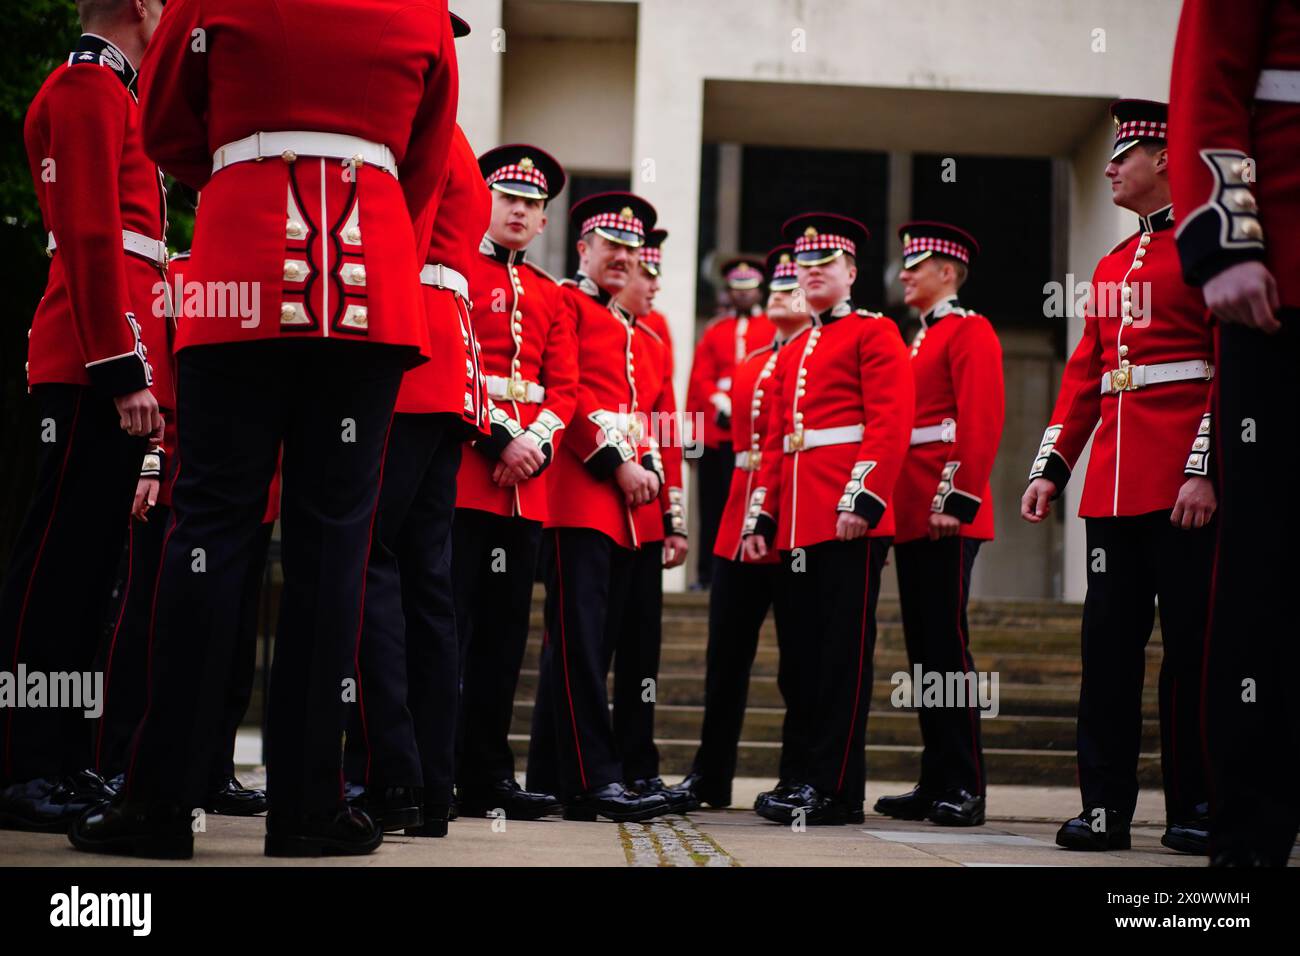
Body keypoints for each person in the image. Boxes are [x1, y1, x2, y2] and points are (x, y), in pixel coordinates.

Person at [70, 0, 460, 859]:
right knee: (334, 552)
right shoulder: (424, 10)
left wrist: (239, 165)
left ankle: (162, 798)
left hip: (239, 271)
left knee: (208, 530)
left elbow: (165, 126)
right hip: (368, 293)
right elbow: (426, 163)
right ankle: (312, 805)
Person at [1022, 100, 1215, 854]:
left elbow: (1225, 373)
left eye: (1122, 155)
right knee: (1107, 659)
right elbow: (1085, 380)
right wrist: (1052, 469)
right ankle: (1103, 812)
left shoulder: (1207, 249)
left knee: (1193, 658)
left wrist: (1204, 470)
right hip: (1111, 487)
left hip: (1182, 491)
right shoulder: (1108, 265)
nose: (1107, 168)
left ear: (1165, 157)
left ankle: (1194, 808)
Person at [0, 0, 167, 833]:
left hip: (106, 355)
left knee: (85, 574)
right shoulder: (88, 85)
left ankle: (60, 760)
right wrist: (120, 367)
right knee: (55, 573)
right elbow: (95, 238)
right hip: (88, 360)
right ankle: (21, 763)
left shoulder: (115, 92)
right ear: (141, 5)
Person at [1168, 0, 1300, 867]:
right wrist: (1224, 238)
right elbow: (1208, 81)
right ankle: (1248, 840)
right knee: (1266, 576)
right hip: (1284, 283)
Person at [743, 214, 914, 825]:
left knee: (841, 659)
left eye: (825, 265)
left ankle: (835, 789)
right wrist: (762, 517)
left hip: (844, 518)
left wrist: (861, 498)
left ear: (850, 273)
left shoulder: (876, 332)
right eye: (805, 266)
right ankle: (798, 776)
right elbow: (774, 444)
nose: (813, 274)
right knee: (800, 661)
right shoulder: (794, 349)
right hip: (794, 523)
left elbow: (890, 421)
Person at [96, 248, 271, 818]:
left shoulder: (269, 277)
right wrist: (153, 458)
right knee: (150, 623)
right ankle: (122, 761)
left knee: (236, 633)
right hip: (180, 476)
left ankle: (214, 768)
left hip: (254, 488)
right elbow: (160, 376)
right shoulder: (178, 273)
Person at [524, 192, 673, 822]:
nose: (621, 258)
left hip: (623, 505)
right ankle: (591, 779)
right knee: (579, 645)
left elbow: (646, 414)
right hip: (578, 492)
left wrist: (654, 491)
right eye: (610, 245)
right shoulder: (566, 301)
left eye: (630, 250)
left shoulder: (629, 325)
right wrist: (616, 463)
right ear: (583, 248)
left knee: (587, 645)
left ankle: (557, 775)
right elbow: (569, 392)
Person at [452, 143, 575, 821]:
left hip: (525, 487)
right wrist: (501, 437)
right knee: (450, 630)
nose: (521, 211)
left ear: (545, 222)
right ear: (485, 202)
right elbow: (456, 356)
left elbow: (568, 387)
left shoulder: (553, 294)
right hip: (470, 474)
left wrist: (534, 442)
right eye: (510, 199)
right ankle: (432, 765)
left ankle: (488, 775)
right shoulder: (455, 271)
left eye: (532, 205)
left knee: (503, 640)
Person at [875, 222, 1004, 828]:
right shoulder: (918, 339)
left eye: (916, 265)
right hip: (912, 514)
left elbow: (979, 421)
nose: (904, 273)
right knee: (926, 652)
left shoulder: (968, 330)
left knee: (948, 650)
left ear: (946, 272)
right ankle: (936, 779)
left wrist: (957, 500)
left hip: (945, 511)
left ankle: (965, 785)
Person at [676, 244, 812, 810]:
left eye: (789, 289)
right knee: (724, 659)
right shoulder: (751, 359)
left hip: (788, 523)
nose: (779, 297)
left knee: (796, 662)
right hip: (740, 517)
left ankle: (796, 774)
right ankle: (710, 775)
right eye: (774, 289)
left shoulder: (812, 354)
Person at [610, 227, 690, 805]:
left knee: (642, 651)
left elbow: (667, 429)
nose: (653, 286)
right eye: (646, 273)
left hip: (646, 508)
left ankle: (639, 762)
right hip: (602, 497)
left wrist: (675, 517)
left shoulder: (656, 335)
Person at [686, 257, 773, 586]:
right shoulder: (714, 331)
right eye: (737, 290)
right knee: (712, 509)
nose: (742, 296)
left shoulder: (771, 327)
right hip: (715, 435)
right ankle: (707, 575)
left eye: (748, 290)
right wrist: (691, 448)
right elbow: (697, 386)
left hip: (755, 435)